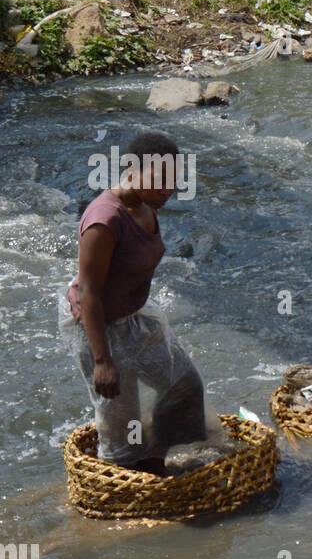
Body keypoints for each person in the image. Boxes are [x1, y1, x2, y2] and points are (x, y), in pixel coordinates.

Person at [60, 131, 208, 475]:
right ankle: (127, 488)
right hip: (98, 326)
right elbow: (90, 294)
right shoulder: (104, 219)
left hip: (135, 317)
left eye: (173, 184)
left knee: (185, 386)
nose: (166, 192)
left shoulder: (144, 206)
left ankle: (155, 463)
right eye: (159, 182)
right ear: (130, 169)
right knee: (120, 424)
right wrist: (102, 361)